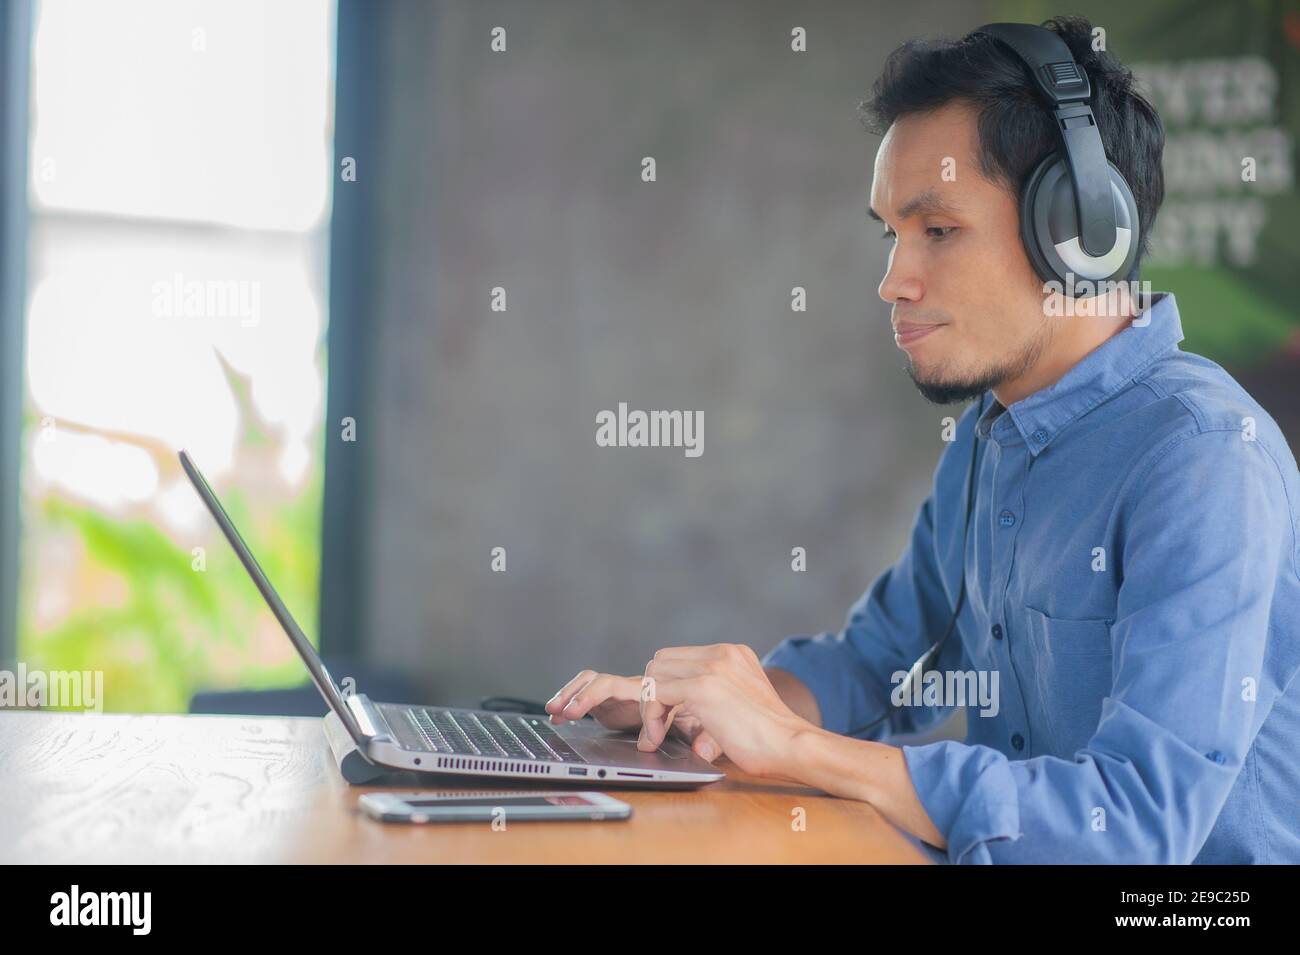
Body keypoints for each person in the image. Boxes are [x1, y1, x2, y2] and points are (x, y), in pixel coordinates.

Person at [544, 16, 1300, 864]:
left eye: (936, 229)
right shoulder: (989, 443)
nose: (893, 280)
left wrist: (793, 748)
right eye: (890, 234)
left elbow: (1132, 825)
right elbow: (876, 668)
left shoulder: (1205, 457)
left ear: (1080, 232)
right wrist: (695, 708)